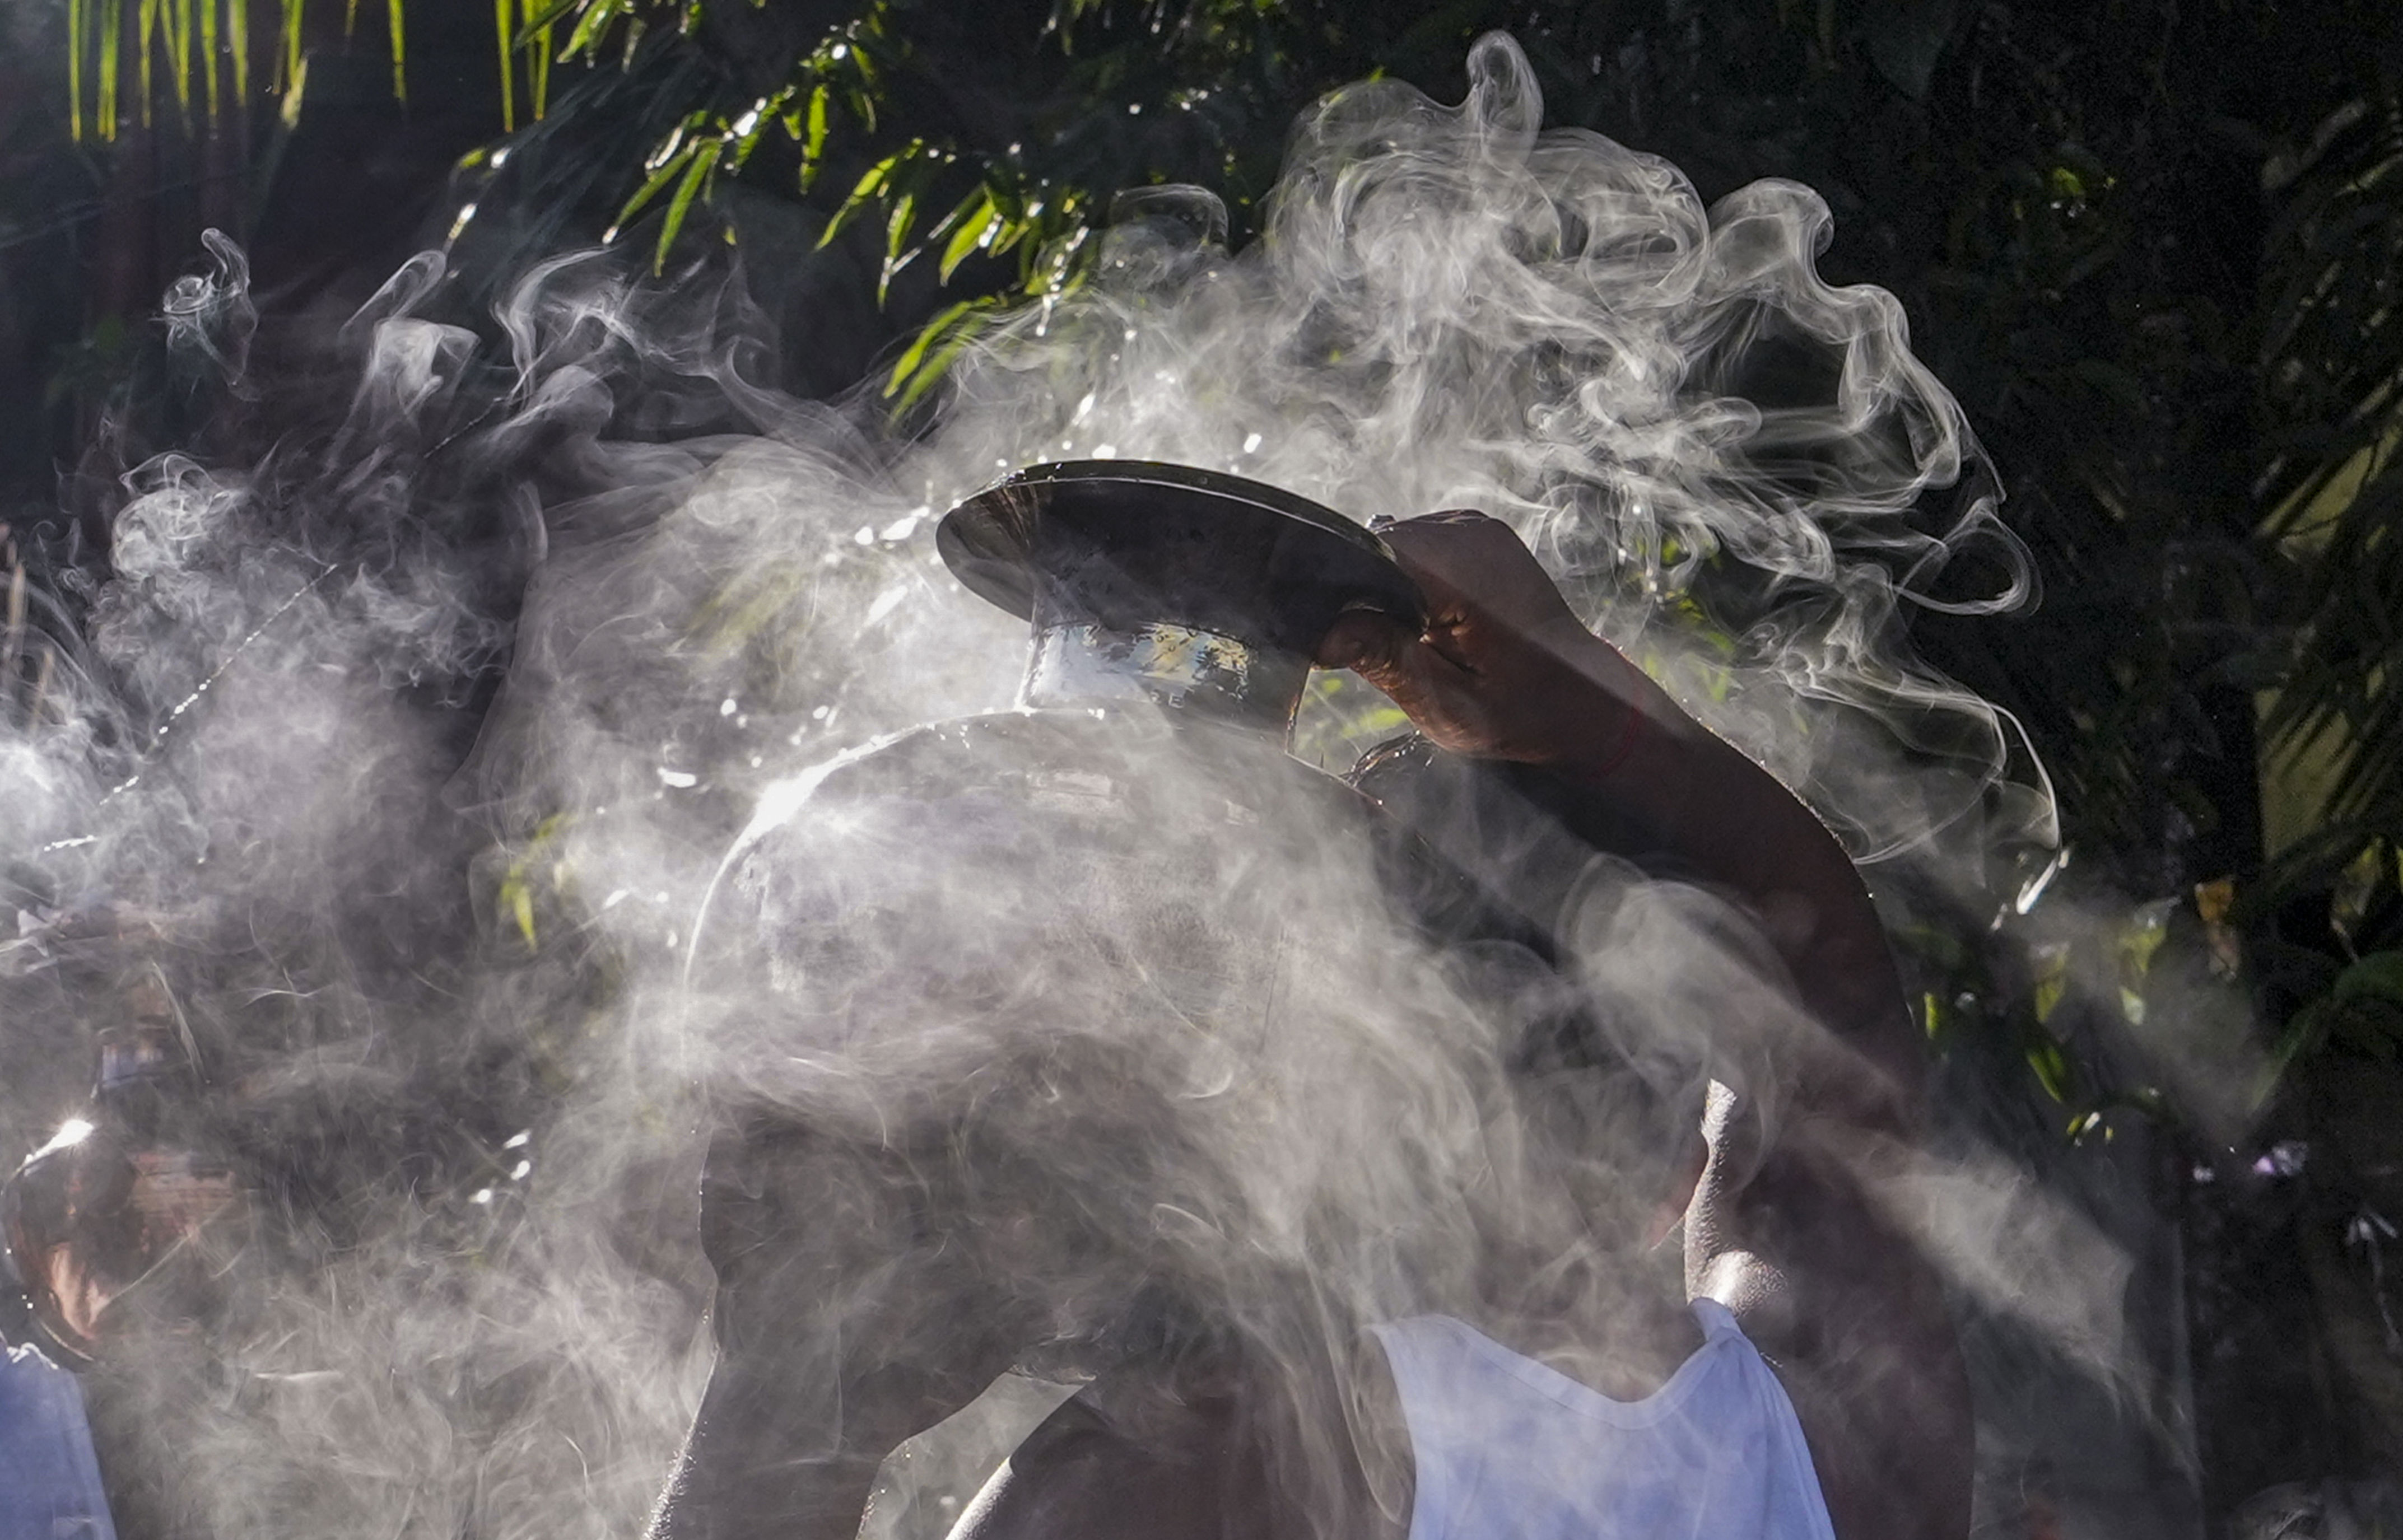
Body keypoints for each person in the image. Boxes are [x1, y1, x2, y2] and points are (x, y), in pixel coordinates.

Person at [654, 511, 1972, 1540]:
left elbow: (1837, 977)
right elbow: (1840, 985)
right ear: (1685, 1158)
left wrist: (779, 1421)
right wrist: (1593, 717)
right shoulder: (1832, 1450)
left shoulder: (1207, 1474)